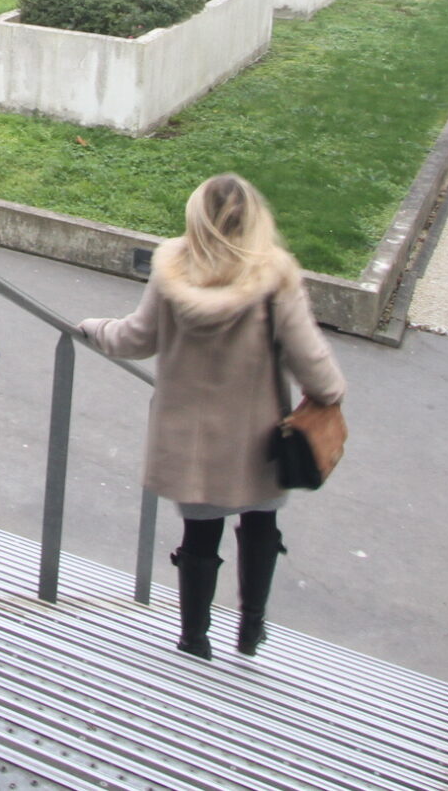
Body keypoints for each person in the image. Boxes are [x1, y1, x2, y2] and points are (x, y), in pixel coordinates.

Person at [78, 173, 345, 660]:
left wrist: (94, 328)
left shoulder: (172, 268)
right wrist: (330, 393)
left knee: (200, 533)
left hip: (190, 443)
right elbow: (310, 358)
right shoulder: (276, 275)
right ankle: (250, 628)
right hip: (259, 437)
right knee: (261, 524)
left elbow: (137, 338)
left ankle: (194, 638)